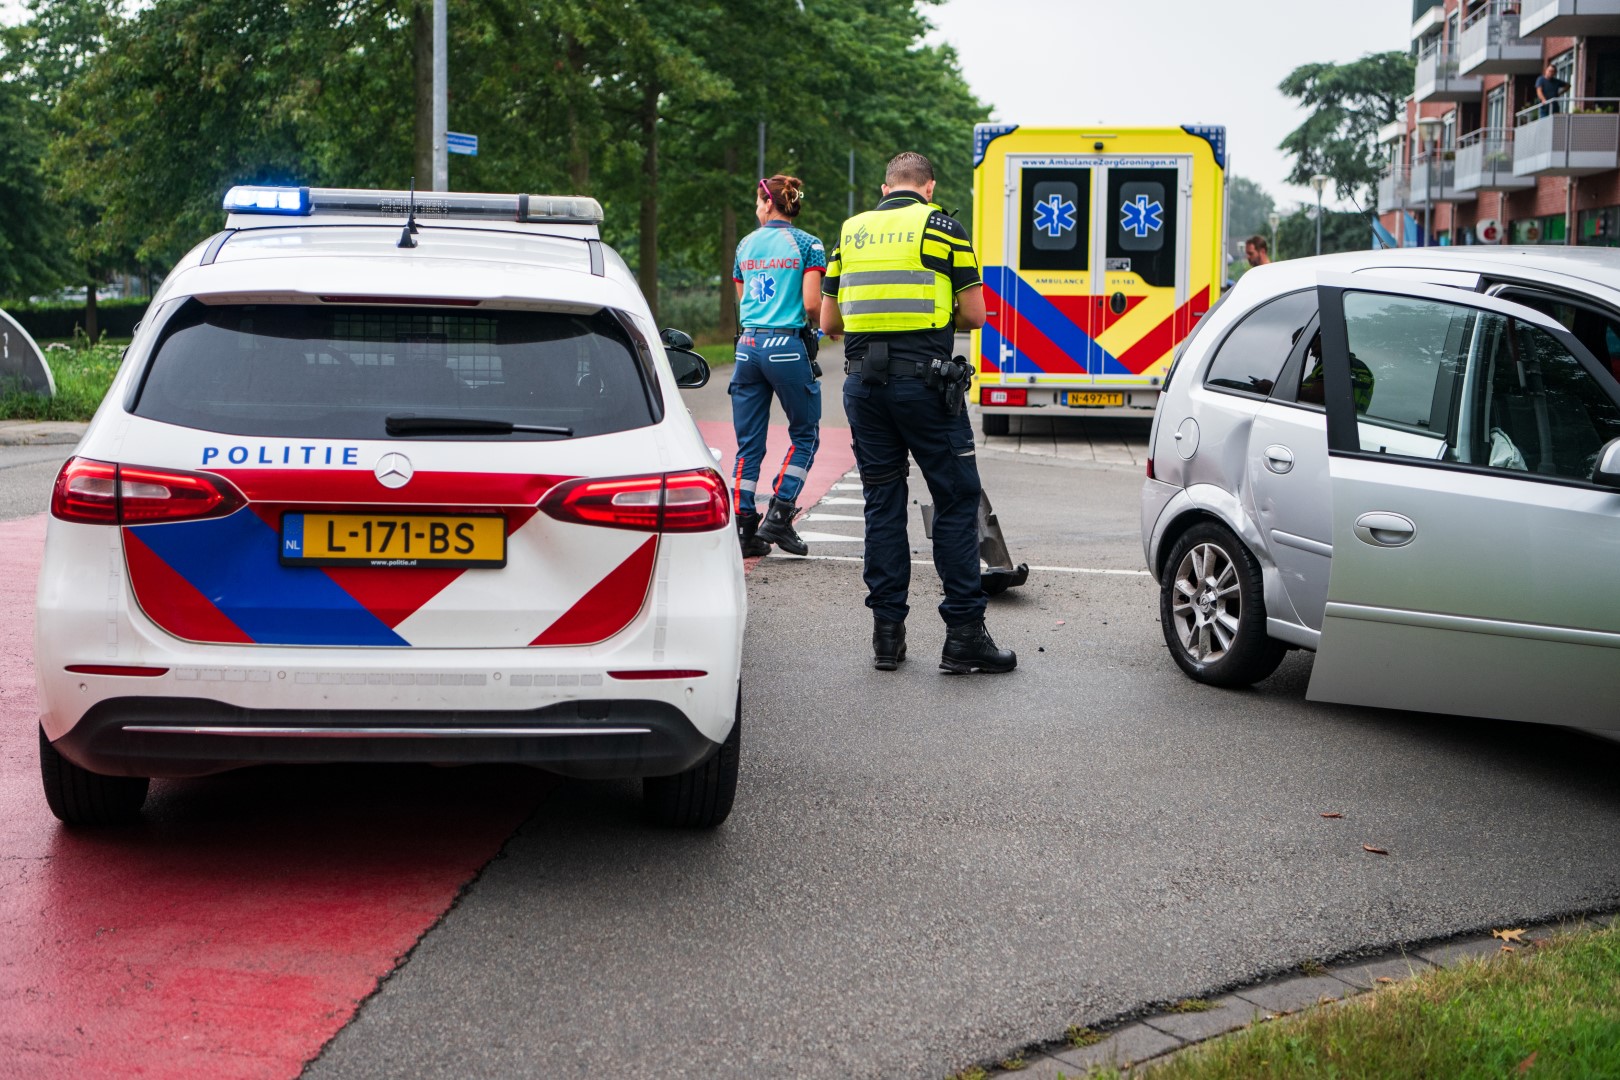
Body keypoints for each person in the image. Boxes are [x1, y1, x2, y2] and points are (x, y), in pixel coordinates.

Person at [820, 152, 1016, 675]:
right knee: (955, 499)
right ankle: (963, 638)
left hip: (863, 386)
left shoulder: (851, 232)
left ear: (886, 188)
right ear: (928, 187)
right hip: (925, 385)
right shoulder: (942, 227)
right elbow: (974, 314)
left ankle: (888, 638)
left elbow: (828, 319)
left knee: (882, 502)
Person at [730, 174, 826, 557]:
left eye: (757, 202)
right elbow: (813, 304)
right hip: (785, 346)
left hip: (747, 346)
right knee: (805, 435)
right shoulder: (808, 244)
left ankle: (744, 528)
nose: (756, 208)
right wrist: (816, 330)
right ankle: (781, 514)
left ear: (769, 204)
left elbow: (742, 300)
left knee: (748, 445)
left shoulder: (744, 244)